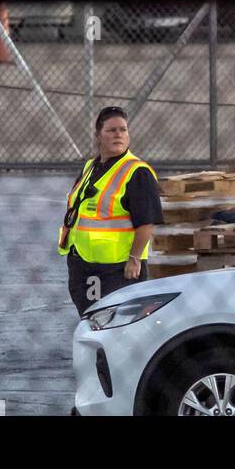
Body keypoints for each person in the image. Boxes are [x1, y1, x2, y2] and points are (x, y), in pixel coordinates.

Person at [60, 106, 162, 317]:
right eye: (112, 130)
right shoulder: (90, 166)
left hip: (118, 269)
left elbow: (146, 222)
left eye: (123, 130)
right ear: (98, 136)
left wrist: (134, 259)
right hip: (84, 262)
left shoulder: (137, 172)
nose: (118, 134)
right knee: (91, 318)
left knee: (119, 322)